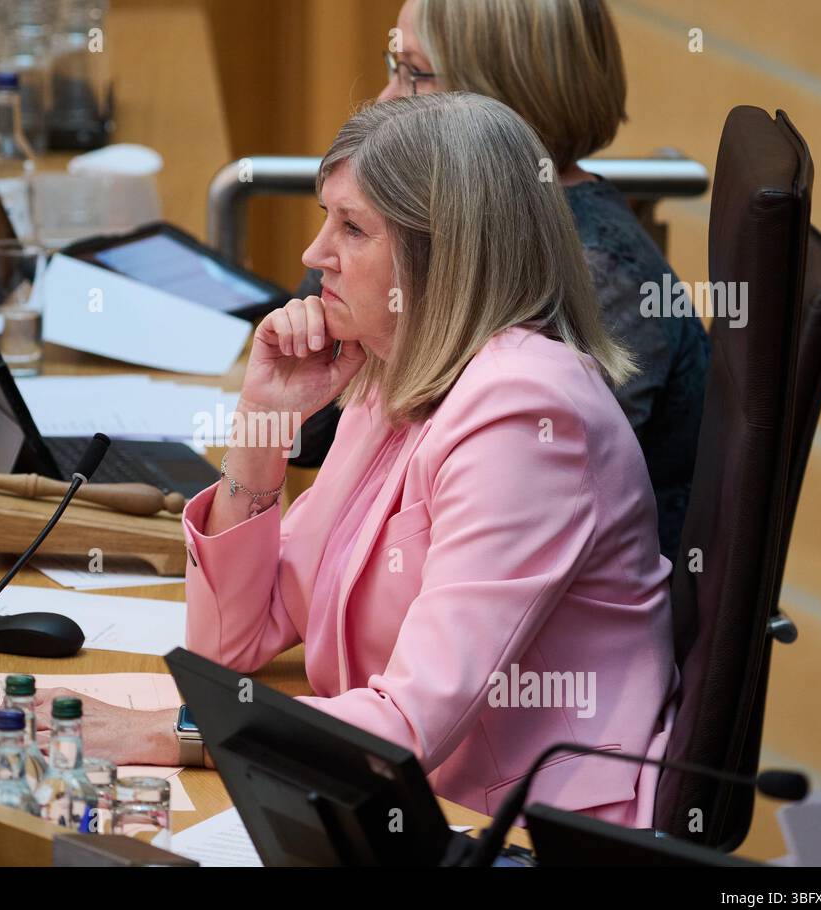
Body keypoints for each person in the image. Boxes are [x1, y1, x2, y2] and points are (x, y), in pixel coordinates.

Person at [39, 92, 679, 828]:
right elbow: (230, 644)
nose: (315, 256)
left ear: (443, 255)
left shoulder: (526, 416)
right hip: (391, 798)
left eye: (352, 228)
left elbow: (407, 728)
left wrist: (161, 734)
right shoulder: (393, 372)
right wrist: (263, 419)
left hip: (515, 829)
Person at [293, 0, 708, 564]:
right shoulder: (455, 229)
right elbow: (310, 429)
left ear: (495, 99)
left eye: (414, 73)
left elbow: (502, 520)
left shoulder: (597, 275)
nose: (388, 98)